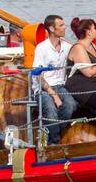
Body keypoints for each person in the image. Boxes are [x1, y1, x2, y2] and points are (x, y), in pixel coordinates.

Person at [31, 14, 76, 144]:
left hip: (60, 86)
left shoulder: (67, 47)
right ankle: (53, 144)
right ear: (51, 28)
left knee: (70, 105)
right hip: (43, 88)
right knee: (51, 110)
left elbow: (80, 50)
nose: (64, 28)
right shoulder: (41, 48)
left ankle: (47, 133)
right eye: (61, 25)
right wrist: (54, 95)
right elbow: (38, 77)